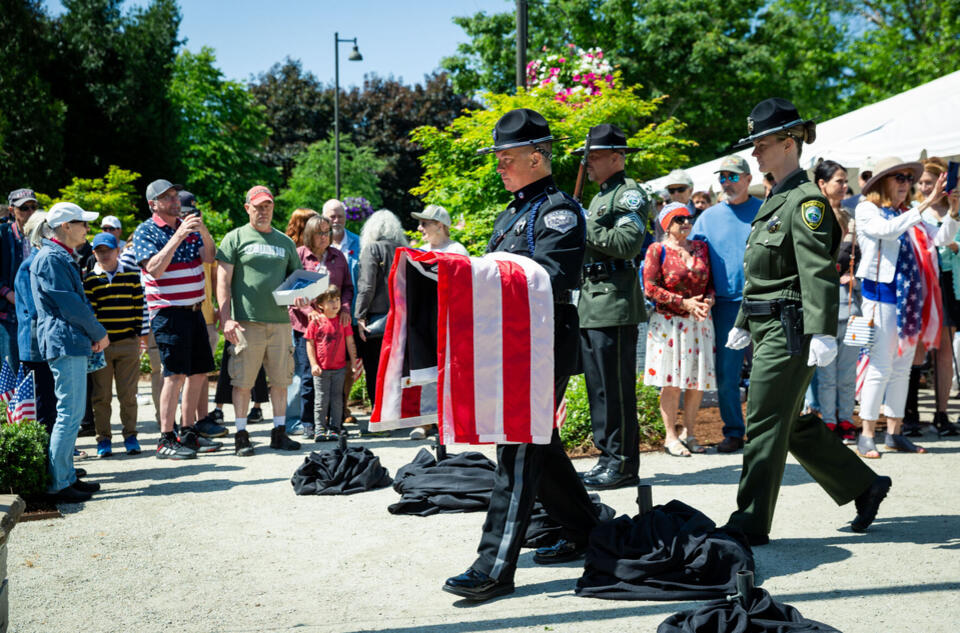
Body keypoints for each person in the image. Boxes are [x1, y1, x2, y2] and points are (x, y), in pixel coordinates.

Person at [443, 108, 599, 602]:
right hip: (511, 341)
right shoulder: (512, 212)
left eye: (507, 158)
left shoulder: (559, 212)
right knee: (538, 443)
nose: (499, 166)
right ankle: (586, 529)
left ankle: (494, 565)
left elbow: (551, 276)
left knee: (517, 448)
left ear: (537, 157)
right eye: (497, 158)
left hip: (543, 339)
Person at [724, 98, 890, 545]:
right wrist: (743, 319)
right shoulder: (776, 197)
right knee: (786, 419)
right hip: (768, 324)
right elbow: (760, 269)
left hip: (791, 328)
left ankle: (749, 523)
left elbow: (816, 269)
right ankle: (863, 484)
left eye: (761, 143)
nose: (755, 153)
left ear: (788, 141)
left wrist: (821, 330)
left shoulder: (805, 201)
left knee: (762, 420)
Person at [855, 157, 952, 456]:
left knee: (901, 368)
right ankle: (867, 433)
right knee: (880, 366)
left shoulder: (909, 211)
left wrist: (954, 210)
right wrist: (925, 205)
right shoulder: (867, 209)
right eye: (899, 177)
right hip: (880, 296)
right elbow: (889, 231)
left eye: (908, 179)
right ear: (883, 180)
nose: (906, 184)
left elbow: (941, 239)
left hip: (908, 298)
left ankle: (895, 433)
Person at [573, 123, 649, 489]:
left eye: (595, 156)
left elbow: (627, 243)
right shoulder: (600, 197)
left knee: (616, 389)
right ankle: (607, 456)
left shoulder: (629, 195)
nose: (586, 163)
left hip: (615, 303)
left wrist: (582, 224)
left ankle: (621, 463)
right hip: (592, 301)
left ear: (617, 158)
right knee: (599, 388)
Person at [130, 178, 220, 460]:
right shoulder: (146, 231)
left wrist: (201, 228)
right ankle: (165, 438)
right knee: (174, 375)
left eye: (174, 195)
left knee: (198, 373)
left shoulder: (190, 228)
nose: (174, 200)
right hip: (168, 313)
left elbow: (210, 256)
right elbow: (154, 269)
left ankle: (189, 432)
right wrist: (178, 235)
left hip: (195, 311)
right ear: (152, 205)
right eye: (166, 197)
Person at [216, 185, 303, 456]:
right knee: (242, 382)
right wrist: (226, 319)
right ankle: (241, 435)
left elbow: (296, 281)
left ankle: (279, 433)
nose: (263, 211)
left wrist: (301, 296)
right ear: (247, 208)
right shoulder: (235, 238)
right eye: (258, 206)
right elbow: (222, 281)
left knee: (281, 380)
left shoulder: (285, 242)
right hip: (245, 323)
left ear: (273, 207)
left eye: (267, 206)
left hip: (279, 323)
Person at [31, 202, 108, 503]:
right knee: (69, 413)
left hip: (69, 339)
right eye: (83, 223)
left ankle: (67, 476)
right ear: (66, 226)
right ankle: (59, 483)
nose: (87, 229)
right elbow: (71, 305)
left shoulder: (57, 256)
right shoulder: (51, 258)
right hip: (65, 340)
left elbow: (74, 303)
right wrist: (99, 332)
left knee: (72, 413)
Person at [690, 155, 762, 453]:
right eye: (722, 177)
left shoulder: (764, 211)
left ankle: (763, 432)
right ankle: (734, 430)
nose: (726, 182)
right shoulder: (708, 217)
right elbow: (693, 258)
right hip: (725, 306)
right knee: (727, 372)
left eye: (733, 176)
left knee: (765, 370)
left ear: (747, 179)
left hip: (763, 301)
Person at [643, 202, 716, 456]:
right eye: (678, 219)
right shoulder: (657, 249)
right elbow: (650, 288)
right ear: (666, 225)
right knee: (671, 383)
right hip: (668, 325)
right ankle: (670, 436)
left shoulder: (701, 248)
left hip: (699, 322)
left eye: (688, 217)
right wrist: (683, 302)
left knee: (697, 383)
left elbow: (710, 283)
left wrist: (709, 300)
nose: (686, 222)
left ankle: (690, 433)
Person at [901, 157, 960, 437]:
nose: (925, 187)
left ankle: (942, 412)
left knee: (945, 350)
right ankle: (911, 413)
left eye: (930, 182)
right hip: (922, 282)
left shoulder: (954, 208)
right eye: (921, 182)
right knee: (919, 346)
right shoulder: (914, 210)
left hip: (950, 282)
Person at [290, 214, 353, 438]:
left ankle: (332, 424)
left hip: (334, 326)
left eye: (328, 232)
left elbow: (347, 287)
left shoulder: (338, 256)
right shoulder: (299, 256)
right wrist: (310, 313)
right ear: (309, 234)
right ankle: (306, 422)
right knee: (308, 375)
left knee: (334, 376)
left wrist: (344, 309)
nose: (325, 237)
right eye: (320, 232)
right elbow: (291, 292)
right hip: (305, 326)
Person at [84, 232, 145, 458]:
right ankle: (104, 439)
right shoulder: (90, 280)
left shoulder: (130, 276)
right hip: (102, 346)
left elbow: (138, 307)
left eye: (108, 250)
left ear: (118, 251)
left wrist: (137, 335)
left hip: (128, 342)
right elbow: (91, 312)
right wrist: (96, 339)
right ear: (94, 253)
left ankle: (130, 436)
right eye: (99, 251)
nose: (104, 254)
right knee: (101, 396)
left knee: (128, 394)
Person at [811, 159, 860, 443]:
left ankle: (845, 420)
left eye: (845, 181)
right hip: (825, 305)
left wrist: (856, 275)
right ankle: (828, 421)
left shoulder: (852, 217)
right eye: (838, 181)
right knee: (827, 372)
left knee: (847, 370)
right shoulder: (814, 217)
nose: (844, 186)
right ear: (822, 184)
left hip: (854, 304)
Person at [355, 209, 408, 410]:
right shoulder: (404, 250)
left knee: (375, 368)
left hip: (377, 320)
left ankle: (380, 414)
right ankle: (398, 413)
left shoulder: (372, 249)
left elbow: (367, 286)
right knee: (398, 370)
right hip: (401, 319)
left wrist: (359, 315)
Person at [16, 212, 57, 435]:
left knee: (51, 404)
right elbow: (35, 310)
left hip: (45, 343)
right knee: (43, 407)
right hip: (35, 346)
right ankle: (48, 465)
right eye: (51, 229)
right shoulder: (30, 265)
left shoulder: (42, 260)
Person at [323, 198, 363, 422]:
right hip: (324, 316)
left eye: (339, 216)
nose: (336, 220)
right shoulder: (319, 244)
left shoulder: (358, 243)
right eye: (331, 216)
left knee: (348, 366)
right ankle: (326, 411)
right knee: (326, 365)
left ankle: (343, 407)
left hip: (351, 314)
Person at [305, 285, 361, 440]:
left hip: (340, 368)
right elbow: (309, 344)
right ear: (320, 305)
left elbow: (350, 343)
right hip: (322, 370)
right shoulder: (315, 322)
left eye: (337, 300)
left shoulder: (343, 321)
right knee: (321, 400)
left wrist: (354, 363)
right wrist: (313, 364)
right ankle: (320, 429)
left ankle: (335, 427)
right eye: (330, 301)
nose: (335, 304)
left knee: (338, 399)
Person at [0, 188, 40, 367]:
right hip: (9, 314)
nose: (30, 212)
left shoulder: (43, 236)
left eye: (33, 207)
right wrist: (9, 294)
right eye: (24, 208)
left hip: (38, 313)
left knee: (36, 374)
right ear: (11, 210)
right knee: (11, 371)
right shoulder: (3, 234)